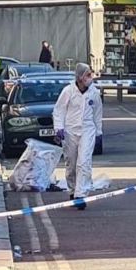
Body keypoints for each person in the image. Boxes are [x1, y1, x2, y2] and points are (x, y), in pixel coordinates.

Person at [53, 63, 103, 210]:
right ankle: (73, 189)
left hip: (87, 130)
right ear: (80, 77)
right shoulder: (68, 91)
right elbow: (59, 110)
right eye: (88, 75)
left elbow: (97, 113)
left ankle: (81, 194)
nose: (90, 78)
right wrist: (59, 128)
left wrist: (98, 132)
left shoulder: (94, 93)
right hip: (70, 131)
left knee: (84, 162)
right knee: (72, 163)